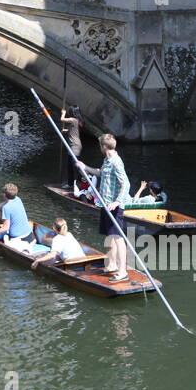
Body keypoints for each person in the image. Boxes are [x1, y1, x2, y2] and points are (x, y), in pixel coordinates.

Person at [77, 133, 131, 281]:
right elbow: (101, 173)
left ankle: (122, 271)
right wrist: (85, 167)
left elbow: (126, 184)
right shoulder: (107, 160)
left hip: (114, 207)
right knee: (110, 235)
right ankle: (112, 264)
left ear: (104, 146)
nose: (99, 147)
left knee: (118, 237)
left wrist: (117, 201)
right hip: (105, 204)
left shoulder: (116, 162)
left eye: (100, 145)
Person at [0, 183, 35, 250]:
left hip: (18, 239)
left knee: (5, 237)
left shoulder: (6, 207)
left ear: (4, 195)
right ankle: (29, 245)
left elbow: (5, 228)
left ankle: (23, 247)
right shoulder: (17, 199)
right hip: (30, 236)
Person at [58, 105, 84, 188]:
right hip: (72, 146)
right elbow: (73, 131)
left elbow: (62, 119)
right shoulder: (76, 121)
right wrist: (65, 130)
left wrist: (63, 113)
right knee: (70, 166)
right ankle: (70, 184)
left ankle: (81, 183)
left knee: (75, 166)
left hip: (75, 146)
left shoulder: (73, 120)